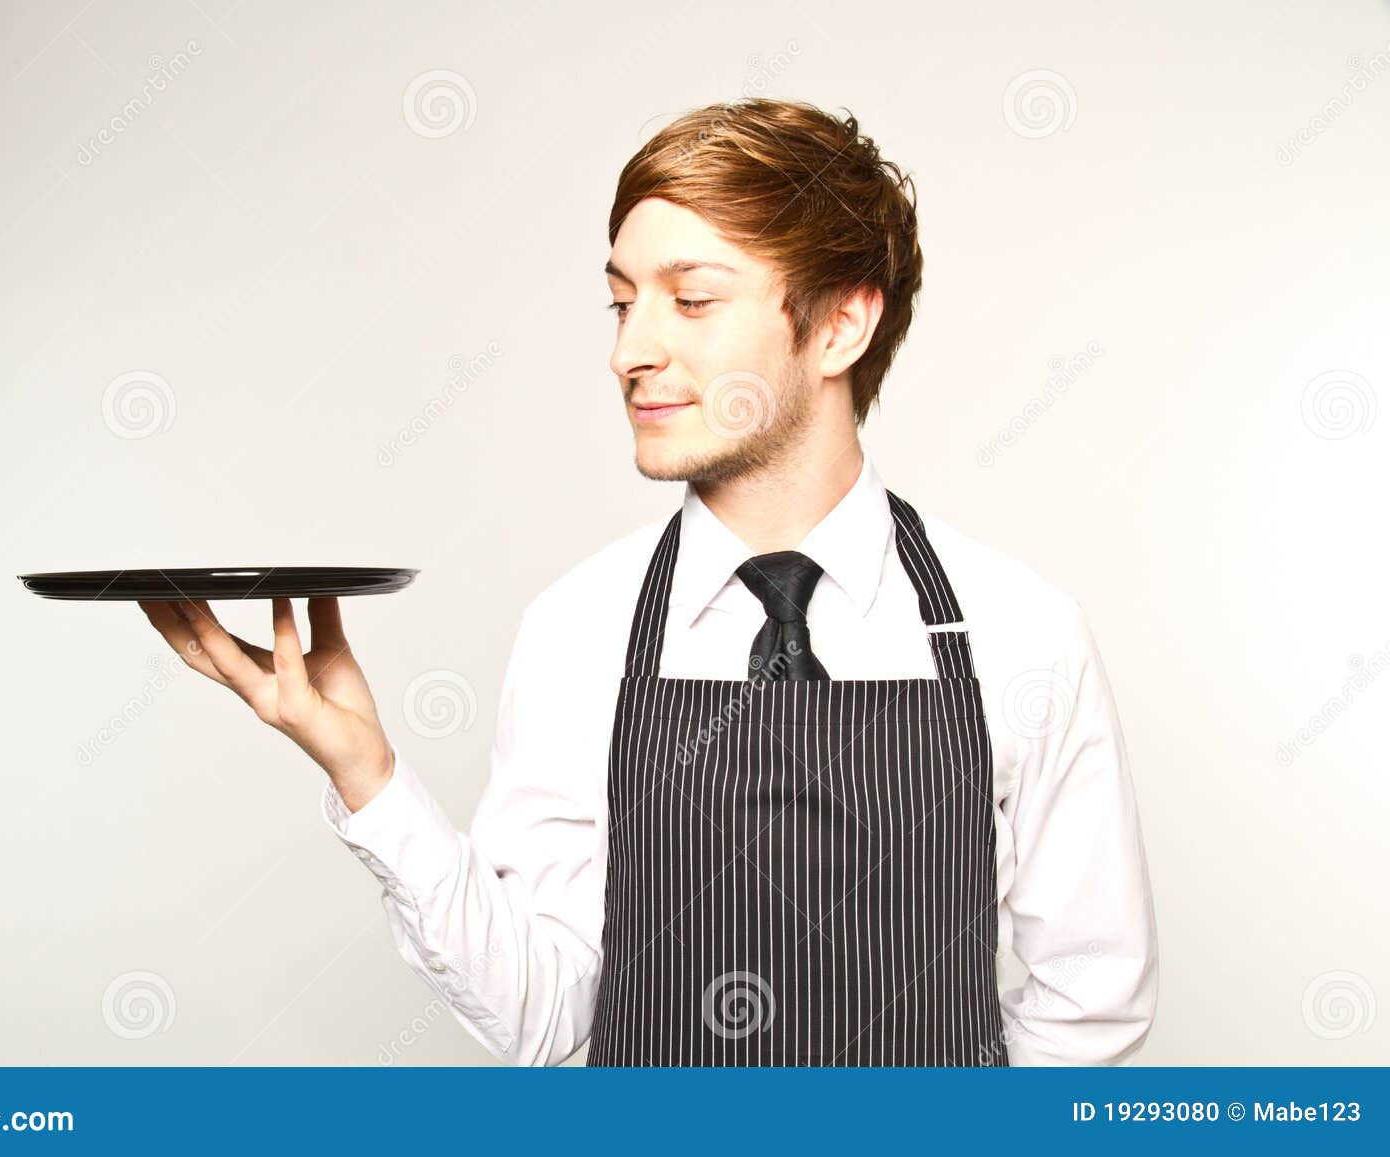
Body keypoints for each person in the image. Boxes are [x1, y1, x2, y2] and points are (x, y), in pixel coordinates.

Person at [139, 98, 1158, 1067]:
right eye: (622, 301)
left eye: (691, 299)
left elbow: (1090, 999)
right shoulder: (578, 628)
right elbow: (537, 1012)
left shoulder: (1020, 633)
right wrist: (367, 774)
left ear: (842, 324)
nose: (631, 350)